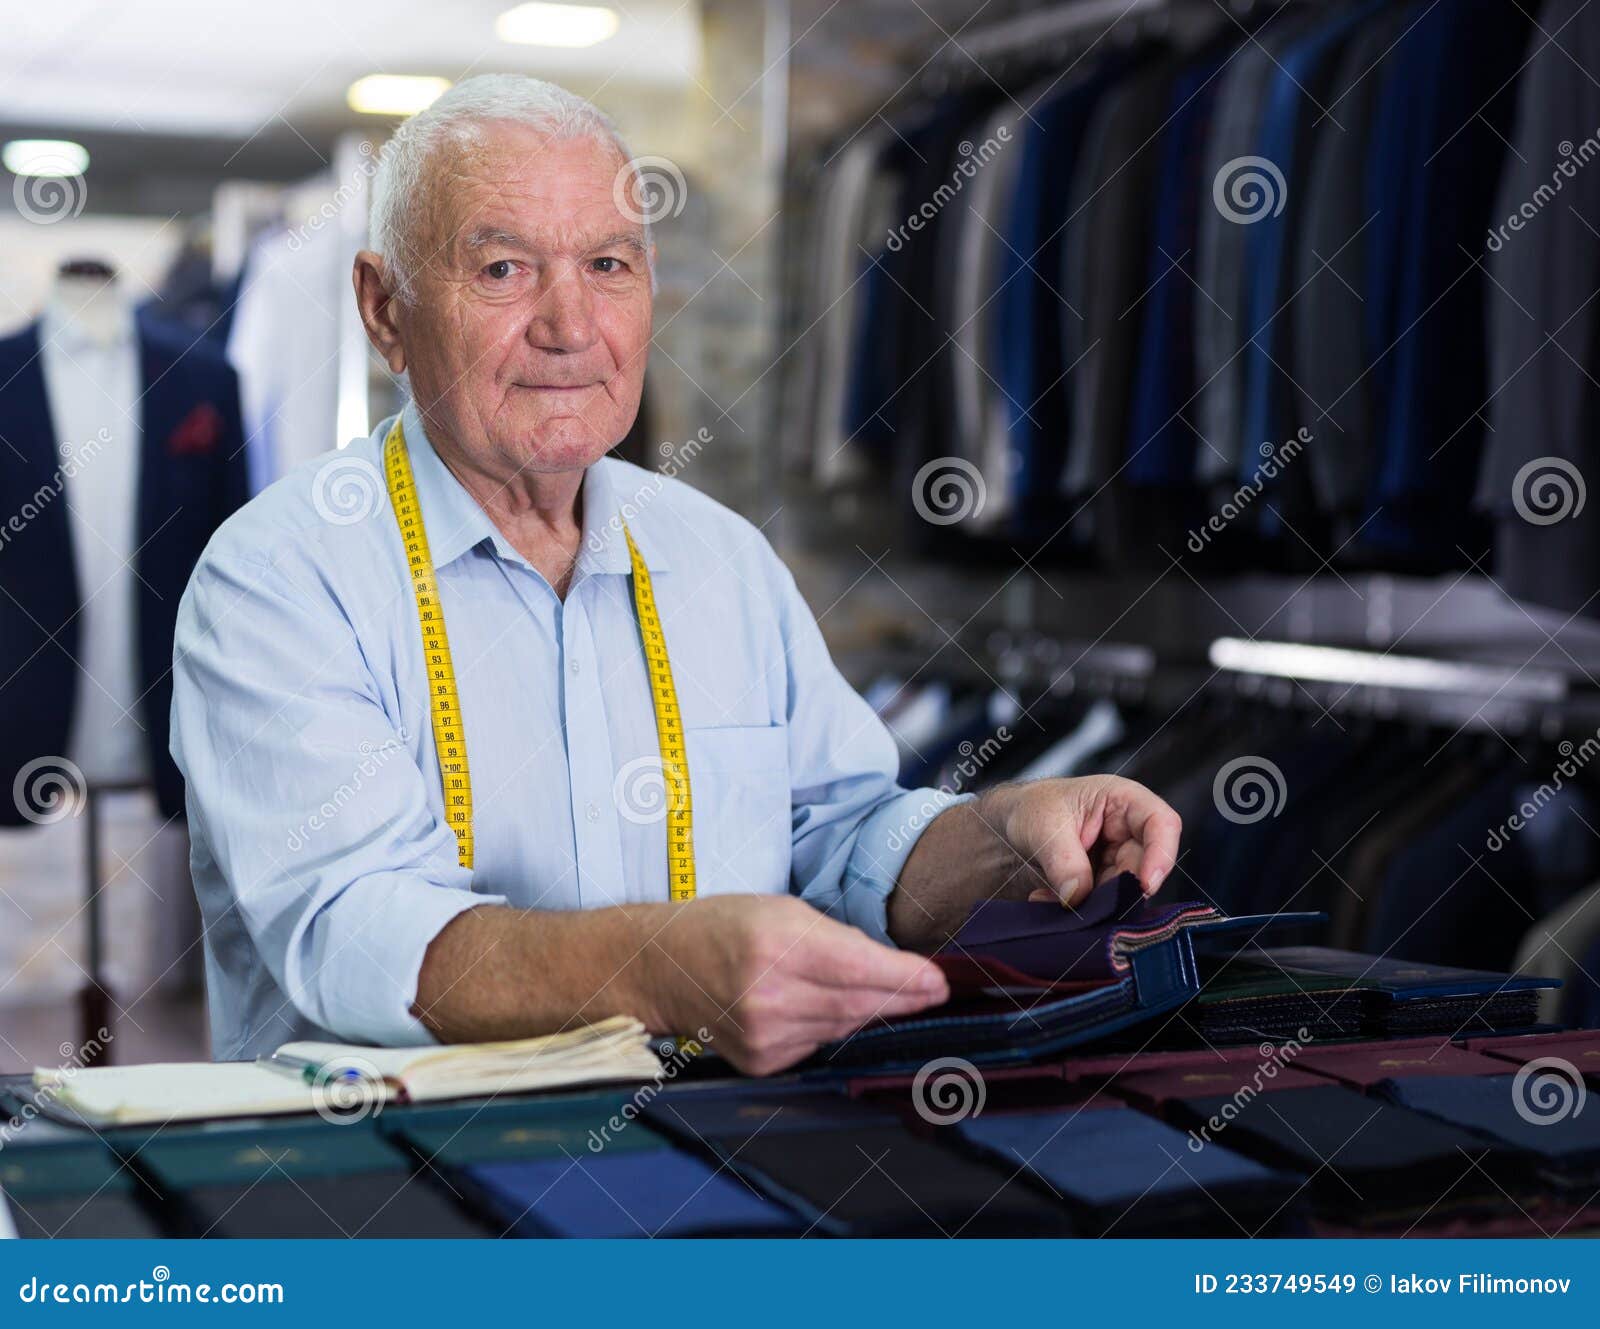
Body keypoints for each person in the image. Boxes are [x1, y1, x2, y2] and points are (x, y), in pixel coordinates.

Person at [171, 74, 1181, 1074]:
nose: (571, 326)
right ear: (384, 307)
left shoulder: (720, 561)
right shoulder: (280, 579)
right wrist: (660, 969)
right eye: (503, 270)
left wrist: (999, 837)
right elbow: (348, 936)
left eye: (609, 264)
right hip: (390, 1202)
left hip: (705, 1174)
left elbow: (839, 838)